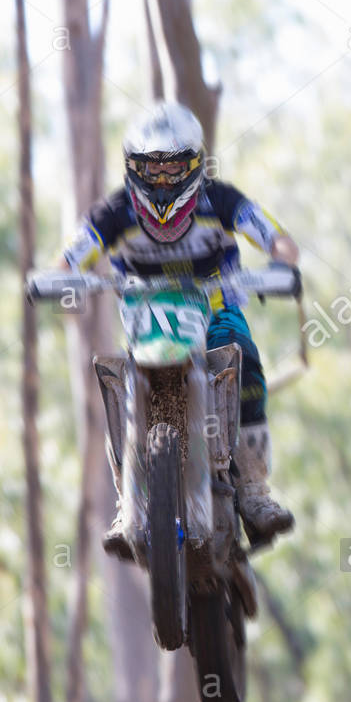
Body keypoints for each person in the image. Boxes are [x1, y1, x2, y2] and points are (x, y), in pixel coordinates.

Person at [56, 101, 299, 557]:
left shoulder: (222, 200)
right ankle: (130, 503)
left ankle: (252, 487)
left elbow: (274, 236)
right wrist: (59, 277)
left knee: (242, 356)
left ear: (197, 165)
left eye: (174, 170)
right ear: (132, 168)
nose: (163, 182)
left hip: (216, 307)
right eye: (152, 171)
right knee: (119, 382)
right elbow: (70, 255)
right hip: (149, 321)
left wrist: (282, 262)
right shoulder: (113, 213)